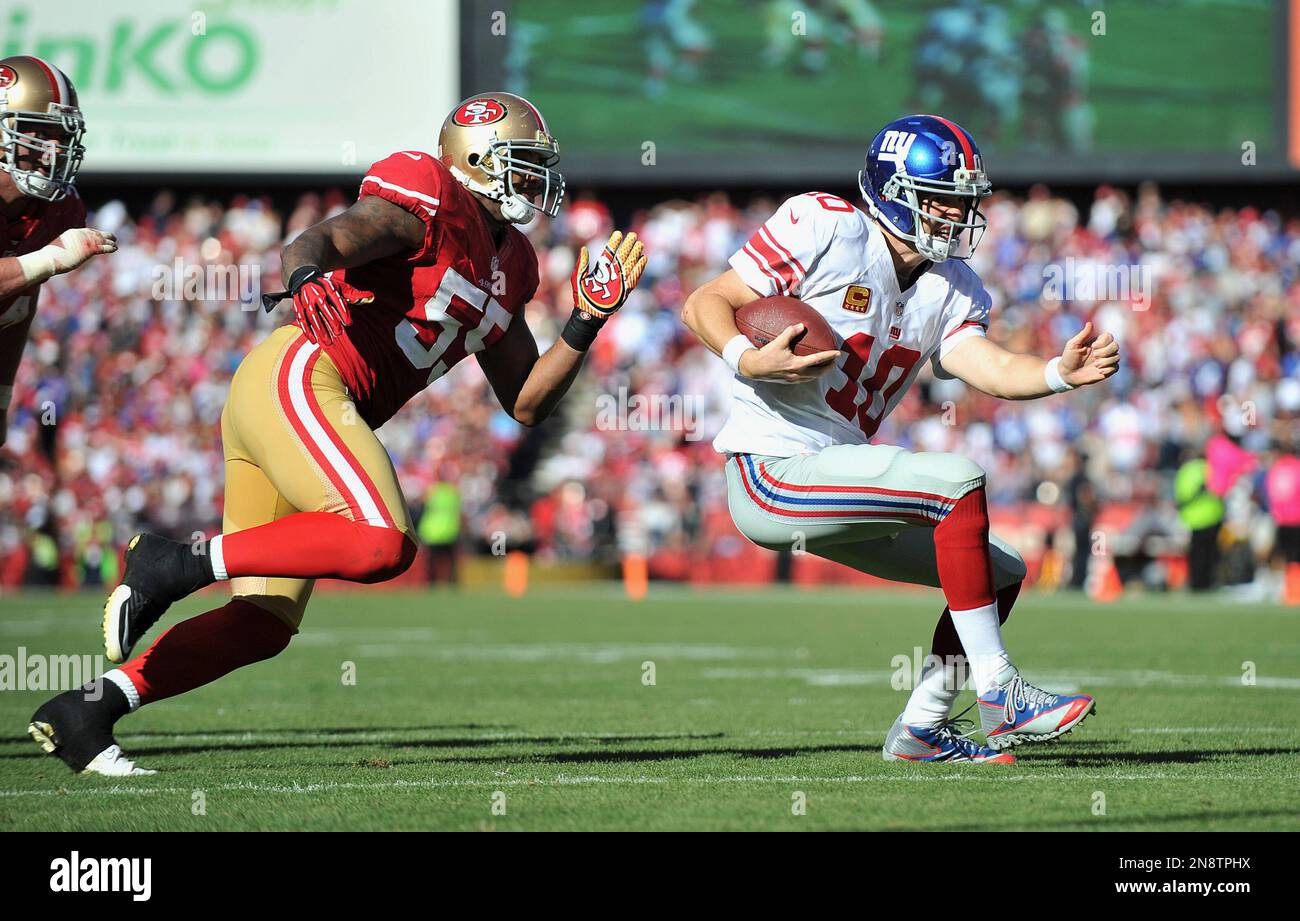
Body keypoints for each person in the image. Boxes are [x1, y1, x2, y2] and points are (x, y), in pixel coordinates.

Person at [29, 92, 647, 776]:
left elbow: (526, 401)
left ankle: (86, 711)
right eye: (522, 165)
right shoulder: (429, 195)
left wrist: (586, 321)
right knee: (382, 539)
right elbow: (323, 239)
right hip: (304, 375)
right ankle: (173, 565)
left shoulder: (515, 264)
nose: (535, 181)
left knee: (261, 623)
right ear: (476, 162)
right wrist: (305, 275)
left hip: (300, 405)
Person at [682, 114, 1119, 763]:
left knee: (1001, 571)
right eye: (944, 197)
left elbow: (988, 365)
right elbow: (704, 303)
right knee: (956, 481)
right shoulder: (825, 226)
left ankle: (922, 728)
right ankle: (1001, 691)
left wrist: (1056, 372)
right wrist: (747, 358)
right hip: (772, 468)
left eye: (966, 199)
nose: (960, 212)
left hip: (834, 473)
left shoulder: (953, 286)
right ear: (894, 191)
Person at [0, 55, 117, 447]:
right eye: (40, 133)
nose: (54, 151)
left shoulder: (60, 209)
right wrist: (46, 259)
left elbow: (15, 307)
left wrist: (1, 399)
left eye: (62, 137)